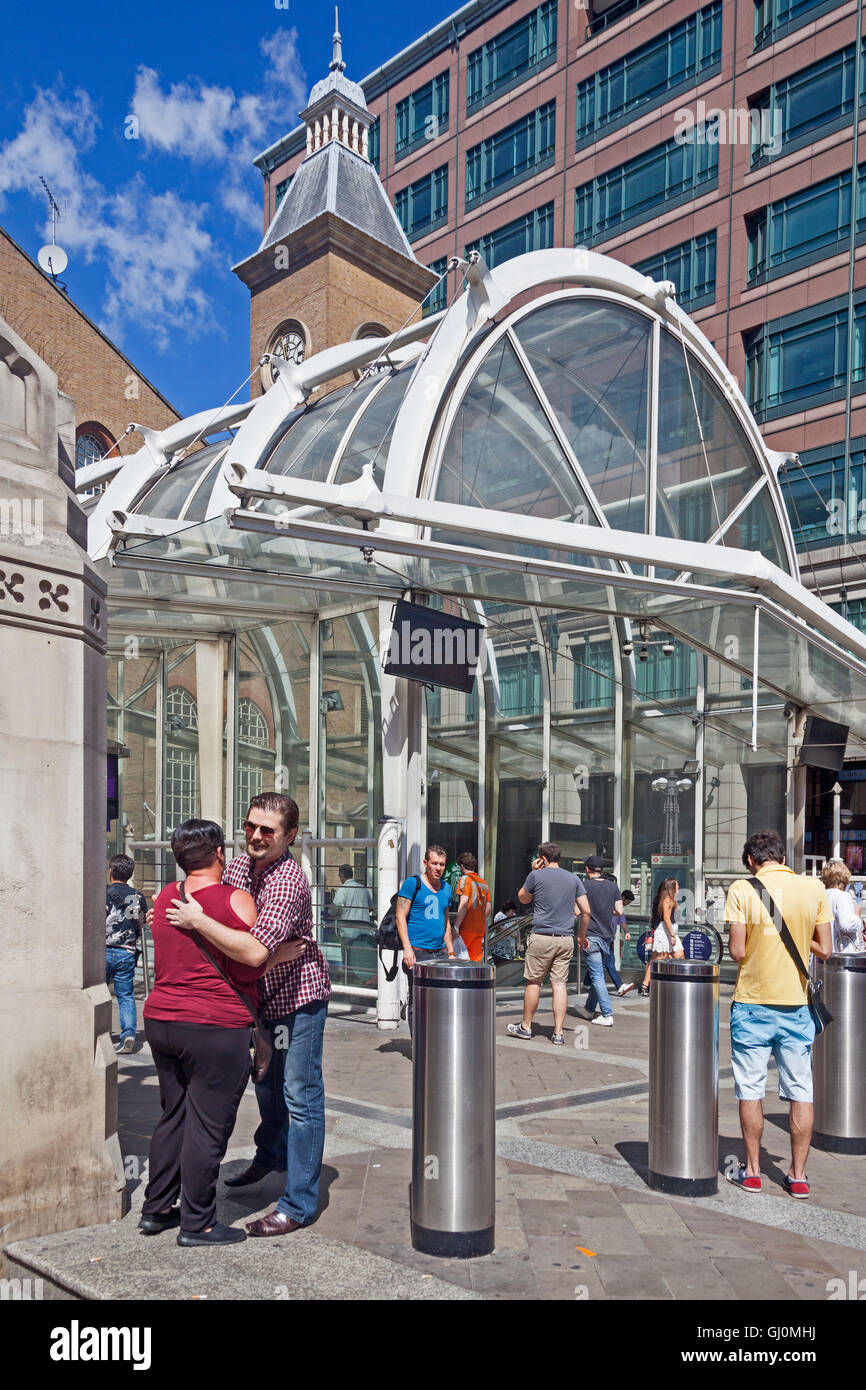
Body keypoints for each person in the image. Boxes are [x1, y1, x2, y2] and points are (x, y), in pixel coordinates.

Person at [168, 793, 329, 1237]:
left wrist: (198, 921)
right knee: (266, 1086)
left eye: (268, 830)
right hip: (257, 1000)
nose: (255, 836)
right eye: (250, 826)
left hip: (299, 999)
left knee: (301, 1094)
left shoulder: (288, 881)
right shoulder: (237, 867)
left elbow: (255, 950)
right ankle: (271, 1155)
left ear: (290, 836)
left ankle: (298, 1204)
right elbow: (205, 899)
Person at [141, 820, 292, 1246]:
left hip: (161, 1019)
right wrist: (279, 957)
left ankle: (157, 1209)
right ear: (220, 854)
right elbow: (251, 961)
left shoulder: (167, 896)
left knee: (173, 1116)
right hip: (212, 1024)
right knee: (208, 1126)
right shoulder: (236, 898)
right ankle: (198, 1223)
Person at [724, 829, 832, 1199]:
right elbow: (827, 949)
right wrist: (800, 940)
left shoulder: (742, 889)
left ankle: (752, 1172)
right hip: (796, 1006)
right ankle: (798, 1175)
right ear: (782, 858)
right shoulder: (814, 888)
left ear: (751, 861)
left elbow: (737, 952)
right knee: (801, 1090)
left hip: (753, 1001)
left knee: (750, 1088)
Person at [509, 842, 584, 1046]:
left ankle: (526, 1027)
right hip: (565, 938)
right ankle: (558, 1033)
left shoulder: (536, 876)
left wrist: (532, 872)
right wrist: (582, 935)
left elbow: (523, 899)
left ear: (542, 858)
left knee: (534, 982)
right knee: (559, 984)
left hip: (541, 936)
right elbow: (586, 910)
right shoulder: (573, 878)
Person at [396, 845, 455, 1036]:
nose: (438, 868)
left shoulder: (446, 888)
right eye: (434, 863)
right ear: (425, 863)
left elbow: (446, 922)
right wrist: (407, 949)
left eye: (442, 864)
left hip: (440, 952)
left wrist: (451, 952)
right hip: (417, 951)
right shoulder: (413, 884)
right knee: (418, 1000)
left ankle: (436, 1043)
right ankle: (419, 1048)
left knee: (441, 999)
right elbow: (400, 917)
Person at [573, 857, 624, 1027]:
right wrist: (606, 913)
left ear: (588, 869)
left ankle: (607, 1014)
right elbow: (619, 910)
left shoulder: (585, 885)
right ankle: (589, 1008)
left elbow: (576, 911)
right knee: (598, 975)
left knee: (597, 976)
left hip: (591, 935)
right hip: (607, 936)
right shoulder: (612, 885)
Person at [105, 854, 147, 1054]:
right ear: (130, 874)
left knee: (100, 994)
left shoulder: (103, 892)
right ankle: (129, 1033)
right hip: (127, 953)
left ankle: (99, 1034)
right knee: (126, 996)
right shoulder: (138, 896)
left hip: (103, 951)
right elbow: (142, 921)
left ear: (111, 872)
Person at [640, 878, 682, 996]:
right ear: (671, 887)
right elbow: (666, 918)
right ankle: (645, 985)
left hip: (669, 932)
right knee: (657, 959)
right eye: (676, 885)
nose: (678, 887)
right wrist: (672, 935)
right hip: (665, 933)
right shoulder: (667, 900)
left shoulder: (669, 900)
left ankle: (653, 984)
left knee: (679, 955)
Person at [453, 851, 492, 962]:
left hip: (466, 927)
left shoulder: (465, 879)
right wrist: (478, 918)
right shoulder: (483, 883)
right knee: (474, 962)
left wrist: (456, 926)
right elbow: (489, 908)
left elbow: (464, 905)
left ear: (461, 866)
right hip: (479, 929)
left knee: (458, 960)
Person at [821, 859, 865, 953]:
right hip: (842, 953)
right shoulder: (842, 896)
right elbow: (846, 924)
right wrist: (857, 916)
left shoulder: (822, 895)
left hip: (826, 951)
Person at [332, 864, 374, 936]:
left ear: (341, 875)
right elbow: (371, 908)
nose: (339, 877)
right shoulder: (363, 889)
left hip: (349, 932)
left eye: (339, 875)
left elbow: (335, 909)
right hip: (365, 931)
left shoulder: (343, 889)